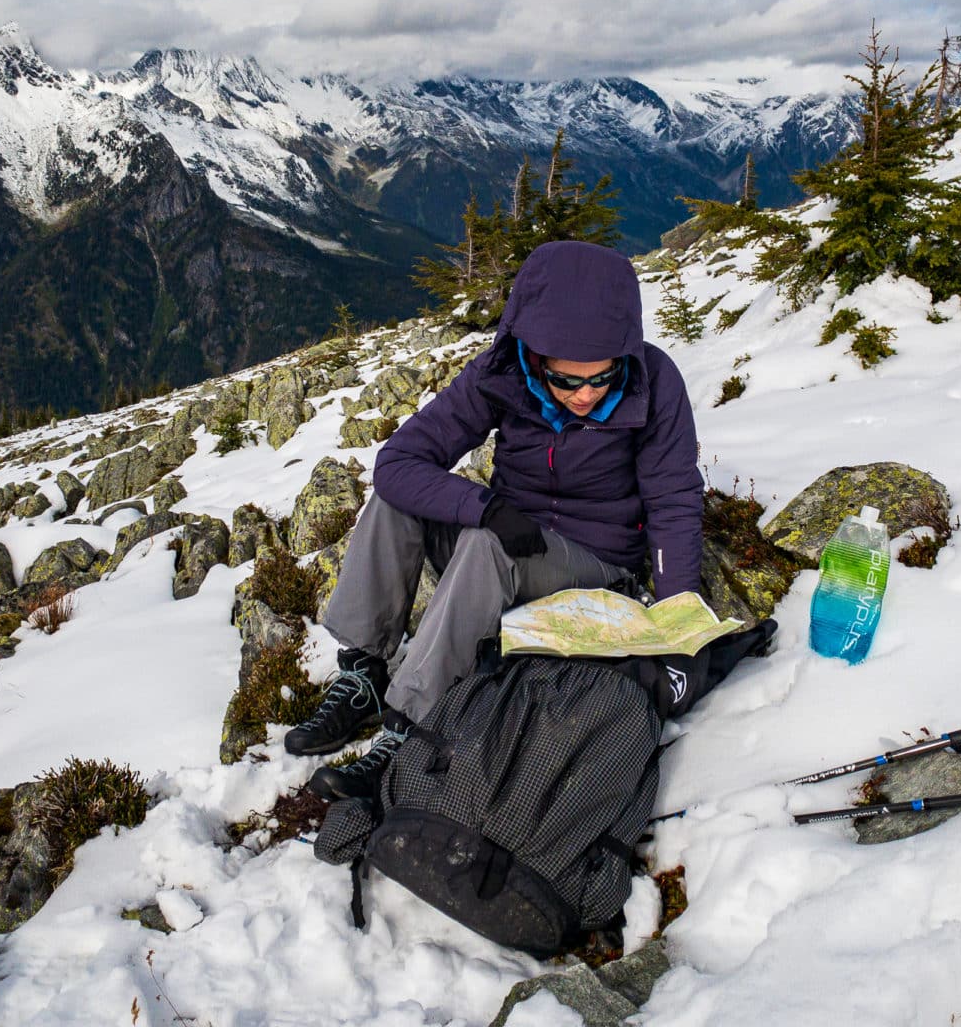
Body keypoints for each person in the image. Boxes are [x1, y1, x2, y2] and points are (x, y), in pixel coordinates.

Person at [287, 239, 703, 798]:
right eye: (566, 380)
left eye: (600, 378)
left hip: (593, 564)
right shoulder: (499, 374)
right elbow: (398, 462)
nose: (584, 395)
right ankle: (363, 671)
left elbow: (673, 500)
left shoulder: (656, 383)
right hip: (506, 533)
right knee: (398, 500)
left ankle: (407, 726)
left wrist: (679, 621)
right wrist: (485, 506)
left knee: (488, 547)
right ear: (533, 355)